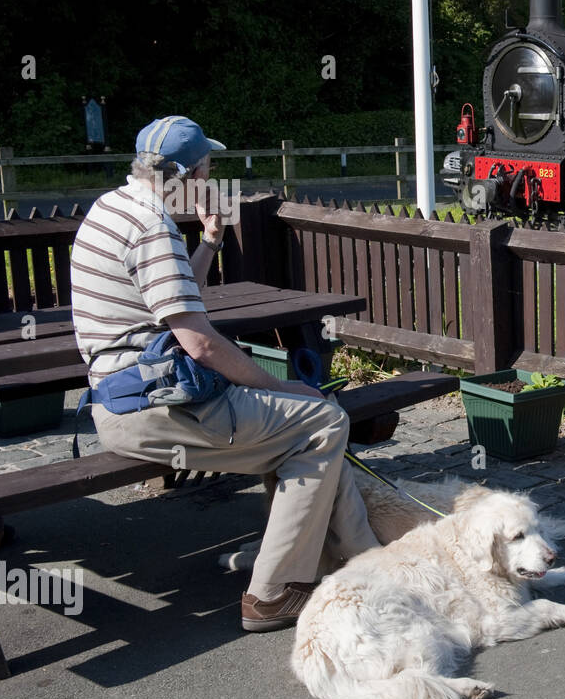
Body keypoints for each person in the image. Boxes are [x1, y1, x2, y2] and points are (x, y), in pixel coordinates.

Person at [70, 116, 381, 632]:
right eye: (208, 170)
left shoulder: (113, 207)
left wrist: (210, 240)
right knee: (322, 420)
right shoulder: (151, 226)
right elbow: (199, 342)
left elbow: (169, 302)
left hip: (122, 401)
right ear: (186, 176)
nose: (211, 182)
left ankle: (363, 560)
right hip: (155, 411)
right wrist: (282, 386)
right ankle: (273, 593)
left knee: (300, 426)